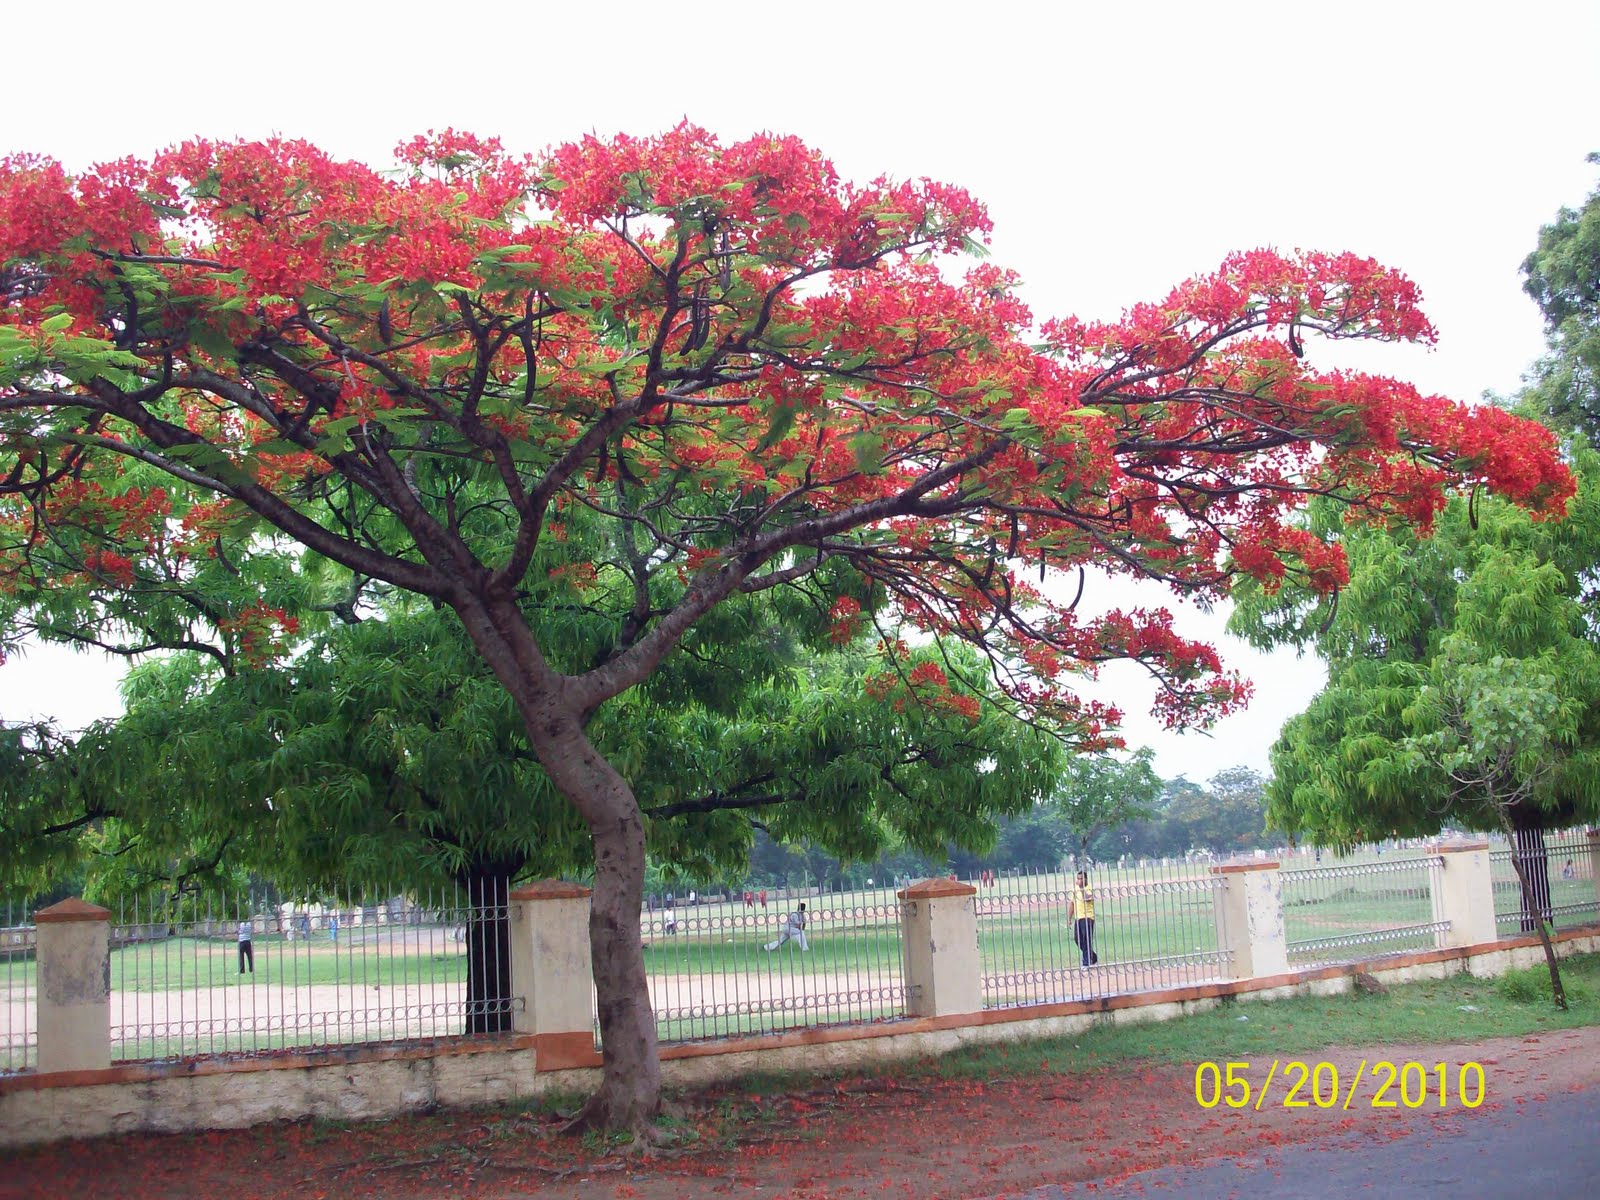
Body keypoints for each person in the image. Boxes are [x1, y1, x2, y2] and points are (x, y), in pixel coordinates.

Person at [1068, 871, 1098, 968]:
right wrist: (1069, 918)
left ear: (1086, 879)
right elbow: (1072, 903)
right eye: (1078, 878)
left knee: (1087, 939)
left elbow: (1087, 898)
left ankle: (1086, 962)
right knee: (1078, 939)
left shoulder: (1089, 888)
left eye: (1081, 878)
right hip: (1078, 917)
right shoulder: (1075, 889)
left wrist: (1081, 888)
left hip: (1088, 917)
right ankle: (1092, 957)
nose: (1079, 880)